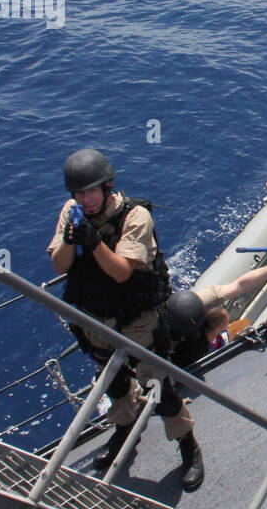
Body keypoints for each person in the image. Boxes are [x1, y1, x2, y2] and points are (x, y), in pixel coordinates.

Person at [48, 149, 205, 490]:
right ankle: (123, 431)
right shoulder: (71, 213)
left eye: (92, 191)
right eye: (79, 194)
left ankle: (188, 445)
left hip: (137, 318)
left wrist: (91, 243)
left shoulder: (135, 218)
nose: (86, 200)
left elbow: (121, 272)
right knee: (113, 380)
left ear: (107, 187)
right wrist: (70, 238)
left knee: (158, 389)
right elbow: (59, 266)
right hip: (96, 318)